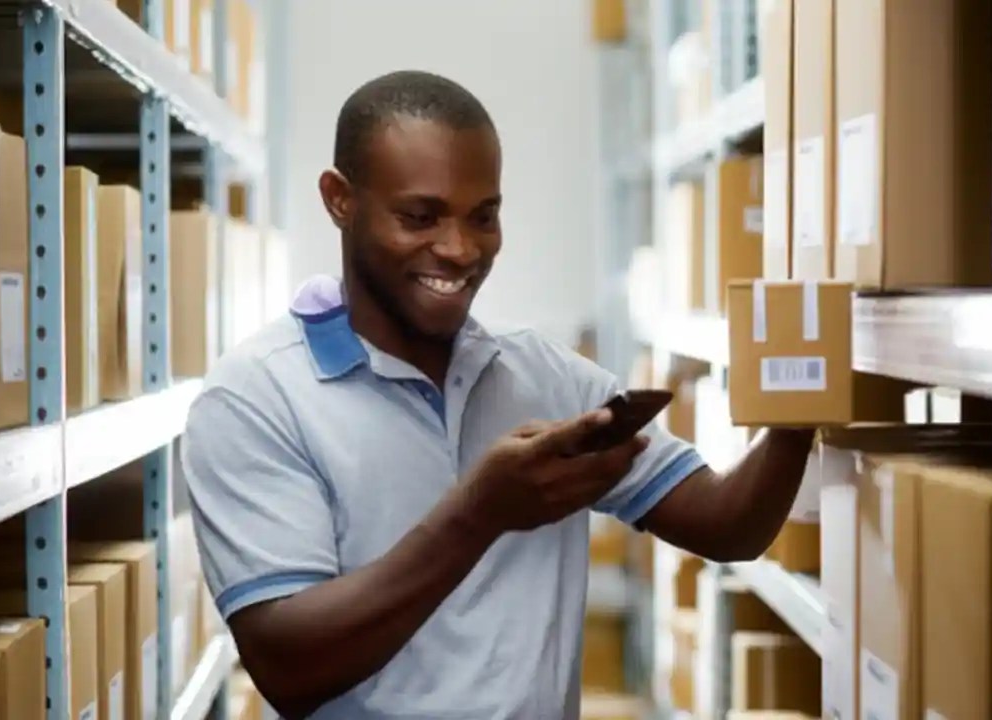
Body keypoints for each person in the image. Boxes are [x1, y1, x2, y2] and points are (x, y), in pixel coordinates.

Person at [181, 70, 813, 719]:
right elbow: (287, 667)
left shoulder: (545, 376)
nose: (459, 250)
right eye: (419, 217)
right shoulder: (254, 398)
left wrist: (798, 409)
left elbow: (729, 525)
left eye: (483, 217)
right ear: (339, 199)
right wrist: (481, 512)